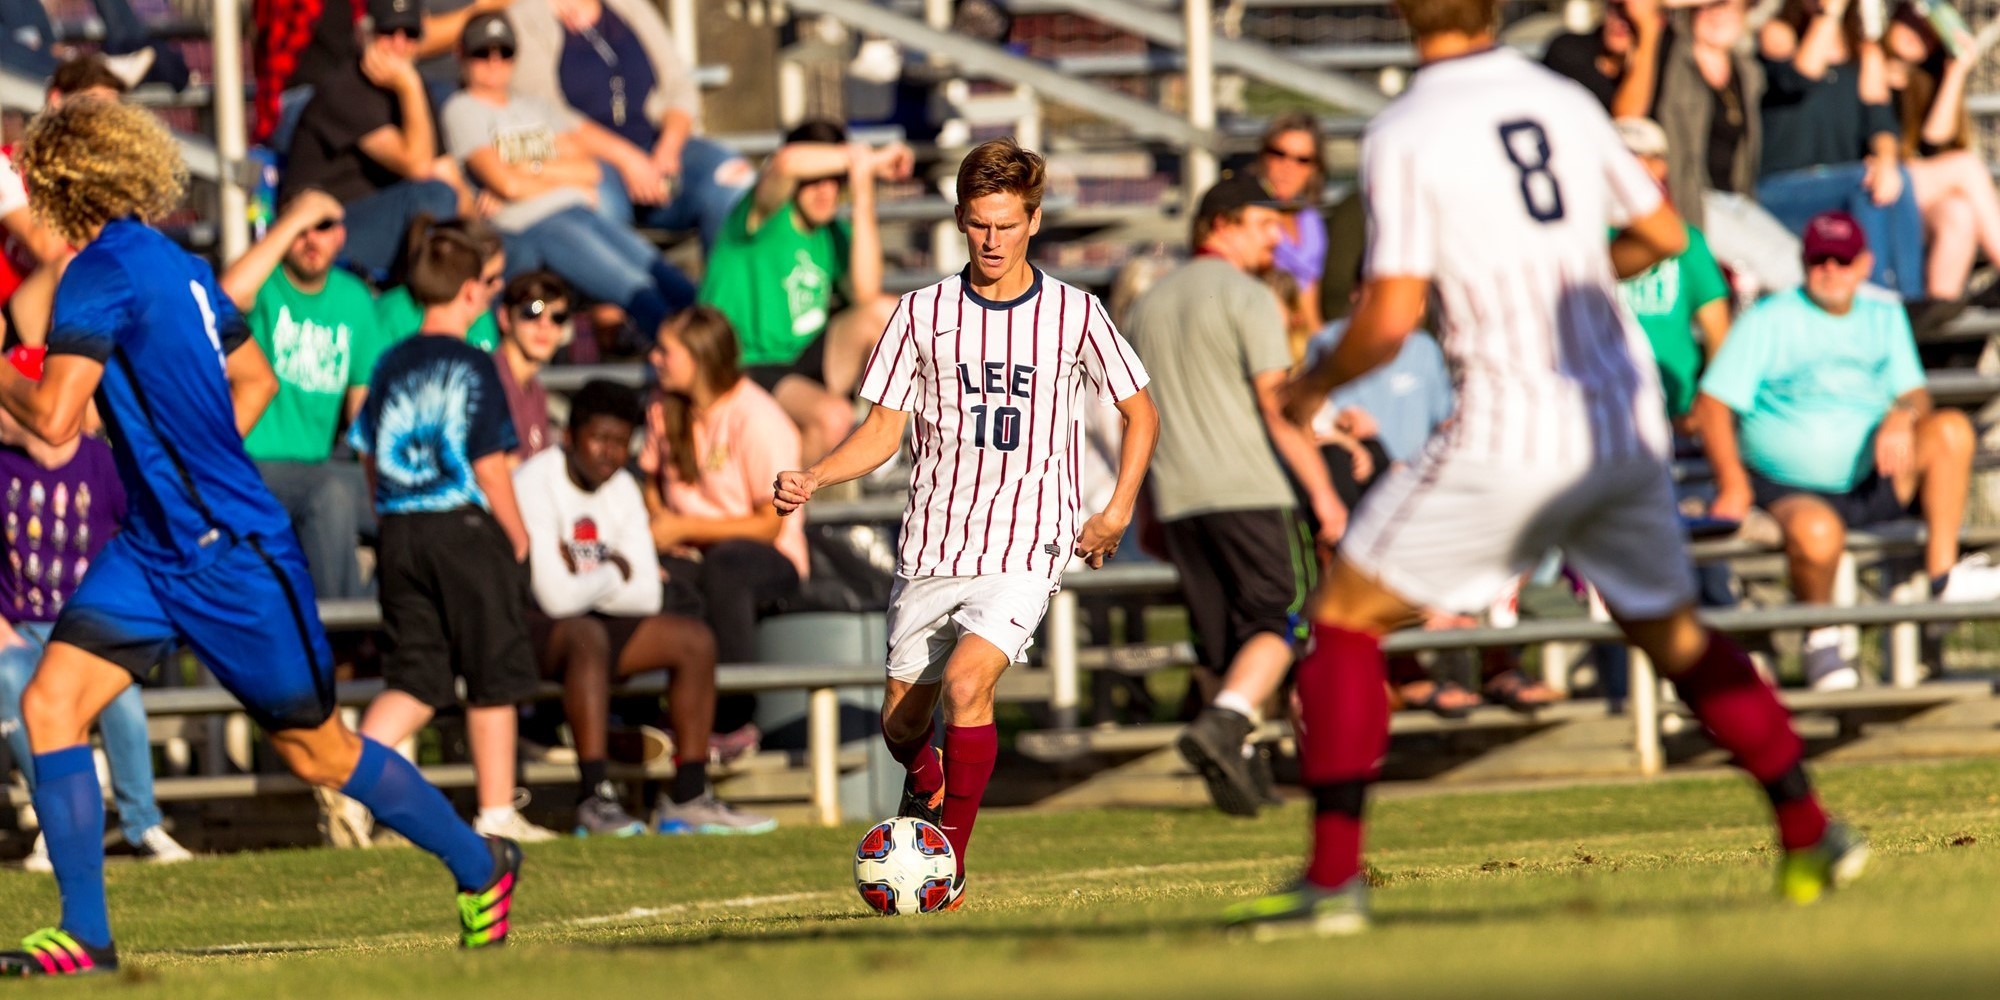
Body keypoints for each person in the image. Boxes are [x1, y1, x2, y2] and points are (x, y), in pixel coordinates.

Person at [1225, 0, 1862, 938]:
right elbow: (1663, 236)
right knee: (1675, 637)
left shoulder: (1408, 126)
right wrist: (1571, 267)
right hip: (1619, 414)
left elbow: (1390, 315)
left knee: (1342, 619)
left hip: (1511, 421)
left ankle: (1332, 881)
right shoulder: (1563, 99)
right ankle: (1811, 828)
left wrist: (1306, 386)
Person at [0, 99, 518, 977]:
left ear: (62, 181)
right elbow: (256, 378)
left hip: (234, 557)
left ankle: (482, 865)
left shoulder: (96, 273)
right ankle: (86, 934)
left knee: (319, 751)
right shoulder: (178, 264)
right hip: (156, 548)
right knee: (50, 705)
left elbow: (52, 420)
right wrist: (182, 458)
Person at [774, 138, 1160, 906]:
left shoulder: (1073, 313)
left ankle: (947, 861)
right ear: (958, 219)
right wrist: (818, 474)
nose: (992, 241)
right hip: (936, 539)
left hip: (1029, 538)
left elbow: (1139, 411)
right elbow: (884, 430)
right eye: (980, 225)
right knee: (900, 724)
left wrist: (1115, 507)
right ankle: (924, 788)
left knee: (967, 682)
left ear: (1034, 221)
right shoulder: (922, 314)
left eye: (1007, 225)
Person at [1695, 209, 2000, 690]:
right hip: (1788, 487)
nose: (1830, 271)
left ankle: (1944, 580)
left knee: (1951, 430)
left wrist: (1903, 415)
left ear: (1863, 264)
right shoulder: (1769, 319)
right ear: (1804, 262)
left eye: (1841, 260)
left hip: (1873, 476)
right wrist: (1732, 484)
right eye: (1819, 260)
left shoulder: (1883, 314)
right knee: (1818, 532)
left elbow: (1916, 393)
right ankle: (1821, 638)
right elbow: (1712, 404)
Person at [1123, 173, 1339, 818]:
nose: (1278, 237)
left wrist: (1145, 501)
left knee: (1222, 640)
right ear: (1220, 223)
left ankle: (1244, 779)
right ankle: (1226, 723)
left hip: (1181, 497)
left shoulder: (1147, 306)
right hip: (1252, 489)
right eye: (1264, 222)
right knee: (1284, 619)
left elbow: (1134, 413)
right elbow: (1278, 410)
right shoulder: (1248, 296)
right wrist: (1327, 498)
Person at [350, 218, 554, 845]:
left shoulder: (388, 361)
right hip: (464, 528)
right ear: (469, 292)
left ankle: (347, 782)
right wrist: (517, 535)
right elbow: (489, 463)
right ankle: (495, 810)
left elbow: (366, 449)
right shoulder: (474, 364)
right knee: (491, 670)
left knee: (415, 677)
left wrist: (389, 511)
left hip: (400, 531)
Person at [516, 379, 777, 835]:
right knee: (586, 636)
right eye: (598, 438)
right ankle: (593, 798)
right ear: (570, 436)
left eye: (620, 443)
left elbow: (647, 597)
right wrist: (616, 570)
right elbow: (553, 599)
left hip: (597, 626)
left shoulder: (623, 490)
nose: (608, 453)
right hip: (533, 632)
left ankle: (688, 796)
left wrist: (593, 580)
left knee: (692, 640)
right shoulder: (534, 481)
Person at [0, 366, 193, 873]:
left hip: (92, 623)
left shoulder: (102, 462)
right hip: (22, 627)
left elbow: (144, 538)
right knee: (12, 681)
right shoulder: (3, 465)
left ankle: (142, 824)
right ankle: (59, 823)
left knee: (121, 700)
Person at [441, 11, 696, 347]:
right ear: (461, 55)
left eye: (504, 53)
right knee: (635, 287)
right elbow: (507, 185)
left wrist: (522, 170)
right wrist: (543, 173)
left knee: (665, 275)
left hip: (576, 210)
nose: (494, 63)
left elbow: (588, 170)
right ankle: (688, 359)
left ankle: (718, 348)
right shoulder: (461, 109)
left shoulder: (533, 106)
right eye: (482, 53)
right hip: (532, 225)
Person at [638, 306, 804, 746]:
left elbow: (770, 525)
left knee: (725, 568)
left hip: (766, 557)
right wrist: (661, 523)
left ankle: (733, 721)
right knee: (656, 578)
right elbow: (649, 480)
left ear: (700, 357)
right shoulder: (664, 405)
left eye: (666, 350)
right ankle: (643, 715)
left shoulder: (758, 417)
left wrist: (681, 527)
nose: (654, 358)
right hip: (692, 550)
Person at [700, 120, 911, 462]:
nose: (826, 192)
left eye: (835, 181)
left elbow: (866, 293)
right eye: (815, 180)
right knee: (832, 418)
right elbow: (786, 161)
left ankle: (884, 436)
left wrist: (861, 188)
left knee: (887, 314)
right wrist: (865, 158)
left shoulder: (833, 232)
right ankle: (777, 511)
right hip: (744, 363)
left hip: (802, 359)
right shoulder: (761, 213)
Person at [219, 188, 384, 600]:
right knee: (330, 494)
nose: (312, 239)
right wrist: (293, 219)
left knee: (423, 503)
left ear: (341, 236)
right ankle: (341, 638)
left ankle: (379, 637)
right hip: (251, 463)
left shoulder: (354, 298)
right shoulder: (265, 285)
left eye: (323, 226)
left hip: (319, 466)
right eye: (301, 229)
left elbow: (364, 414)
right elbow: (224, 297)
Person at [508, 0, 755, 249]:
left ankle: (729, 286)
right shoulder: (526, 17)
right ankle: (646, 287)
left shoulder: (629, 6)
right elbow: (545, 113)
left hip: (656, 146)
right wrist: (629, 160)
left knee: (735, 178)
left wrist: (668, 149)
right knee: (598, 211)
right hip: (588, 158)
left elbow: (679, 85)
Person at [281, 0, 470, 279]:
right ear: (364, 34)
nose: (399, 44)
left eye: (410, 34)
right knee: (432, 197)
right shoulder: (344, 88)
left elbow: (447, 172)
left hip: (376, 220)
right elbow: (417, 166)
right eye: (388, 32)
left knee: (489, 239)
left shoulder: (412, 87)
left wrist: (481, 241)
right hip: (319, 231)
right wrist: (409, 86)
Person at [1755, 0, 1926, 301]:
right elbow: (1800, 78)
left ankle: (1910, 298)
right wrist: (1830, 13)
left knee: (1893, 177)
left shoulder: (1864, 52)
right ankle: (1877, 299)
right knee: (1864, 181)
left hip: (1843, 185)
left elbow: (1881, 122)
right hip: (1781, 188)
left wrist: (1886, 161)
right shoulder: (1778, 33)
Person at [1612, 117, 1732, 432]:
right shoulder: (1583, 237)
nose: (1638, 166)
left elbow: (1717, 331)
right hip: (1605, 412)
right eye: (1625, 156)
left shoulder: (1688, 241)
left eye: (1649, 157)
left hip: (1675, 411)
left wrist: (1707, 405)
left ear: (1663, 166)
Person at [1882, 6, 2000, 311]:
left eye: (1929, 30)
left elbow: (1935, 144)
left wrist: (1957, 70)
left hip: (1908, 200)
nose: (1917, 34)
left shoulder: (1923, 84)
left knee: (1958, 211)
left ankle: (1934, 310)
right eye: (1910, 21)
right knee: (1966, 166)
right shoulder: (1865, 69)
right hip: (1871, 188)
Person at [1255, 113, 1330, 335]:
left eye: (1302, 160)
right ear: (1264, 157)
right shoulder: (1251, 215)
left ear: (1315, 169)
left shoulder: (1310, 221)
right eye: (1279, 154)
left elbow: (1311, 309)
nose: (1288, 167)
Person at [494, 270, 571, 463]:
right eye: (532, 312)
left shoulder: (536, 391)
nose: (544, 325)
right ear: (504, 317)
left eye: (557, 317)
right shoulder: (488, 379)